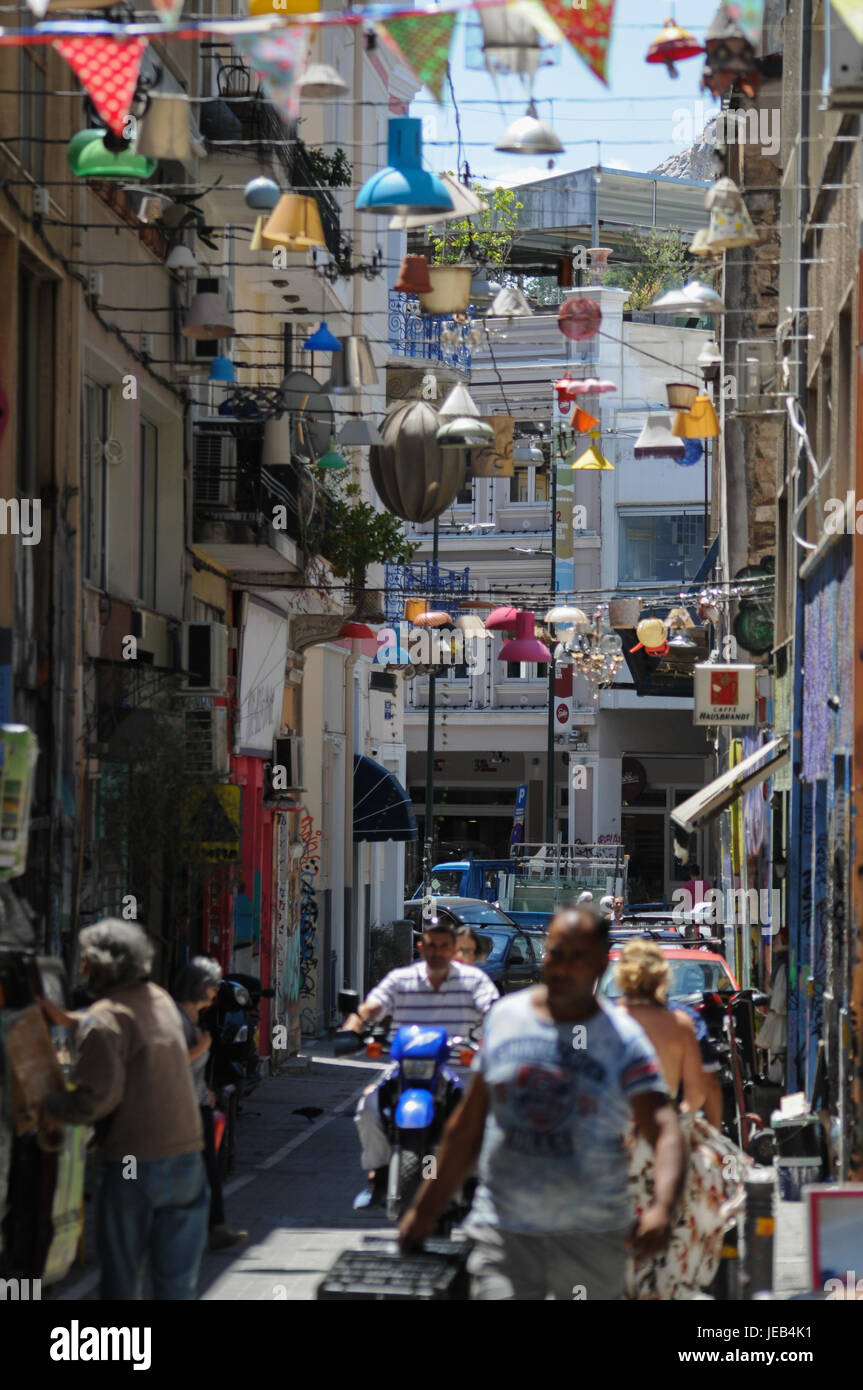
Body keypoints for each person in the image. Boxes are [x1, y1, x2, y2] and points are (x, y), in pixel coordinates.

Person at [399, 906, 686, 1300]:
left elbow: (665, 1127)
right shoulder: (505, 1018)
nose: (562, 967)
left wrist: (663, 1206)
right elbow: (468, 1127)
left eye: (577, 957)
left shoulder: (623, 1039)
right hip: (503, 1233)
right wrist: (424, 1210)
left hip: (592, 1238)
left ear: (601, 964)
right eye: (555, 953)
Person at [39, 920, 208, 1300]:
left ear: (104, 965)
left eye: (87, 960)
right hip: (187, 1159)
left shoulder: (106, 1018)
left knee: (122, 1281)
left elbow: (96, 1098)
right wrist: (71, 1019)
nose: (82, 968)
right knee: (177, 1287)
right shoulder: (159, 999)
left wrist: (49, 1107)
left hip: (136, 1163)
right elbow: (131, 1030)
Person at [613, 940, 747, 1299]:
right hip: (664, 1138)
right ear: (662, 977)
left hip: (614, 1142)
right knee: (694, 1214)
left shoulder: (602, 1022)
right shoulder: (680, 1023)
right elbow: (698, 1094)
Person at [343, 919, 498, 1205]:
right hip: (406, 1070)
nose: (437, 952)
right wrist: (352, 1029)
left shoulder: (474, 980)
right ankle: (379, 1175)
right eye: (431, 946)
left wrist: (499, 1034)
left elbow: (491, 1009)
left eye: (444, 946)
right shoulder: (401, 979)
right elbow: (372, 1007)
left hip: (459, 1069)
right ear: (421, 947)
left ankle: (474, 1180)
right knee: (368, 1108)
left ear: (453, 949)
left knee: (483, 1117)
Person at [173, 957, 248, 1252]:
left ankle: (212, 1226)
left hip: (198, 1103)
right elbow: (170, 1063)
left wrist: (205, 1089)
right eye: (212, 986)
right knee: (200, 1169)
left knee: (208, 1169)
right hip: (186, 1108)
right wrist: (202, 1048)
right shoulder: (177, 1020)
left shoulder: (192, 1019)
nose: (216, 993)